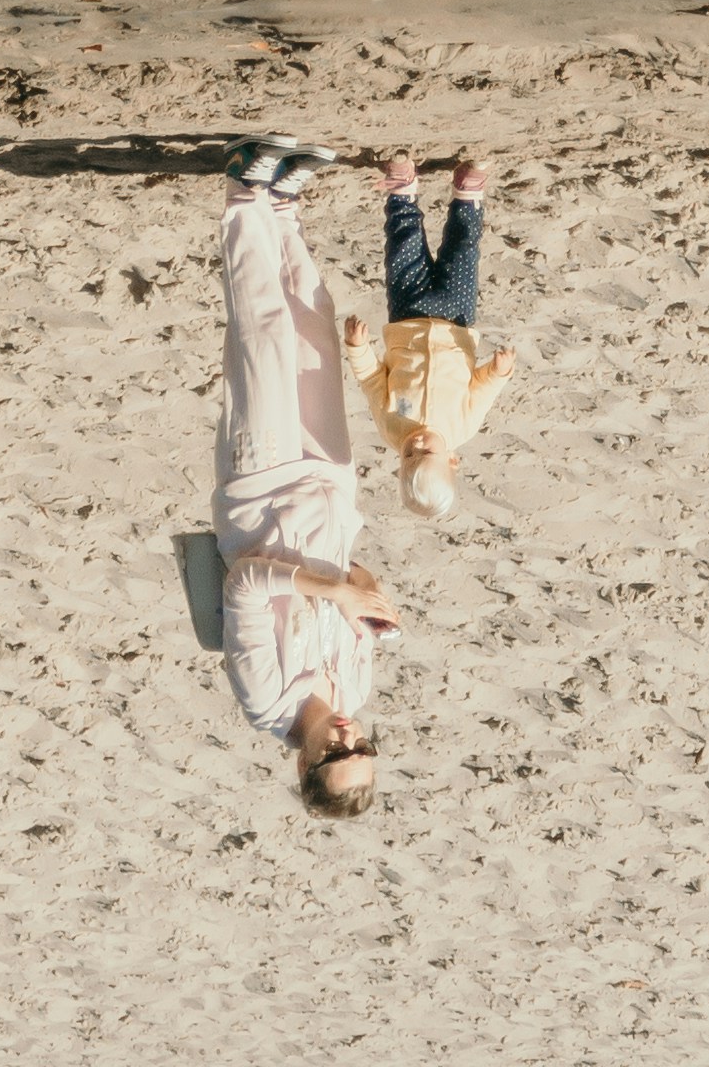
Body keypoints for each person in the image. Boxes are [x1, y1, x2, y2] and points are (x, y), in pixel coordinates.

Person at [212, 136, 397, 811]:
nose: (348, 739)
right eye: (362, 751)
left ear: (305, 767)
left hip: (261, 487)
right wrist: (368, 597)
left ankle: (244, 190)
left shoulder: (266, 698)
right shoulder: (356, 690)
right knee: (312, 331)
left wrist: (334, 594)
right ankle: (284, 206)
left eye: (333, 756)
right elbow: (358, 581)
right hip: (328, 493)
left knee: (261, 334)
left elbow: (244, 587)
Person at [346, 147, 520, 517]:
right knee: (463, 250)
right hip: (456, 321)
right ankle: (468, 191)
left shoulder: (392, 429)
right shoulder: (462, 427)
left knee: (403, 246)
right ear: (453, 460)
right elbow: (483, 389)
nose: (418, 443)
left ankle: (402, 187)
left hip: (407, 315)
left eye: (409, 455)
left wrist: (357, 347)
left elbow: (372, 381)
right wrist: (500, 370)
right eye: (426, 452)